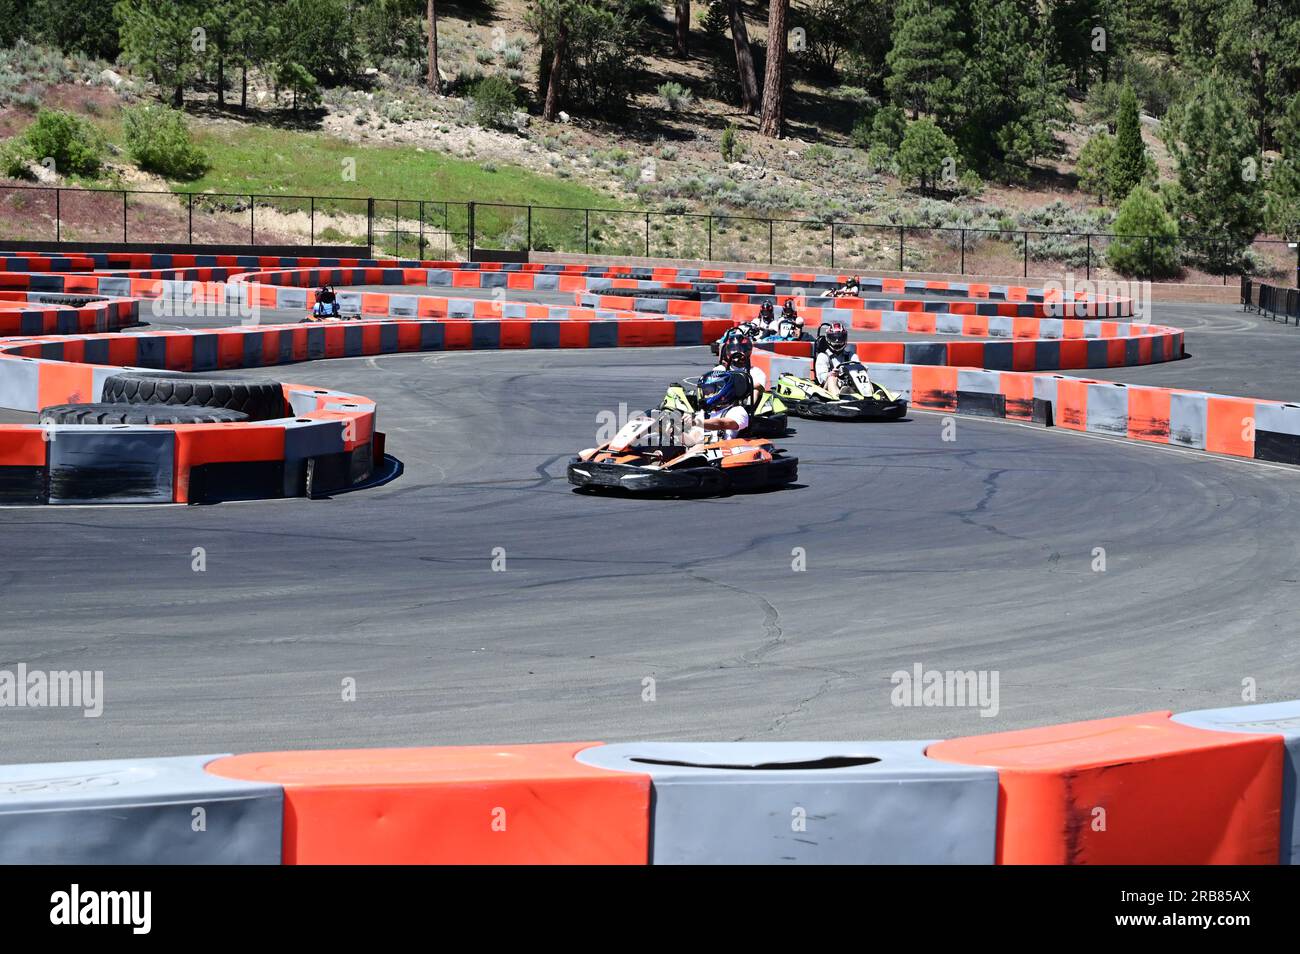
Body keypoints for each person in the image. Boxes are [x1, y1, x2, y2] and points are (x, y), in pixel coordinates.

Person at [691, 368, 752, 440]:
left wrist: (696, 423)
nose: (705, 395)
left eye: (707, 391)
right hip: (704, 449)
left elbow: (722, 423)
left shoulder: (737, 411)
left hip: (728, 449)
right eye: (704, 392)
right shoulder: (706, 413)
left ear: (721, 389)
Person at [813, 321, 851, 397]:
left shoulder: (850, 355)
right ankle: (839, 399)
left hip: (847, 385)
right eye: (834, 338)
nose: (837, 341)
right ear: (828, 339)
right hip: (826, 390)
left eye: (840, 338)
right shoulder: (823, 356)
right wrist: (831, 374)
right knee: (832, 378)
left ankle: (870, 398)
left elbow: (857, 367)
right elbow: (821, 378)